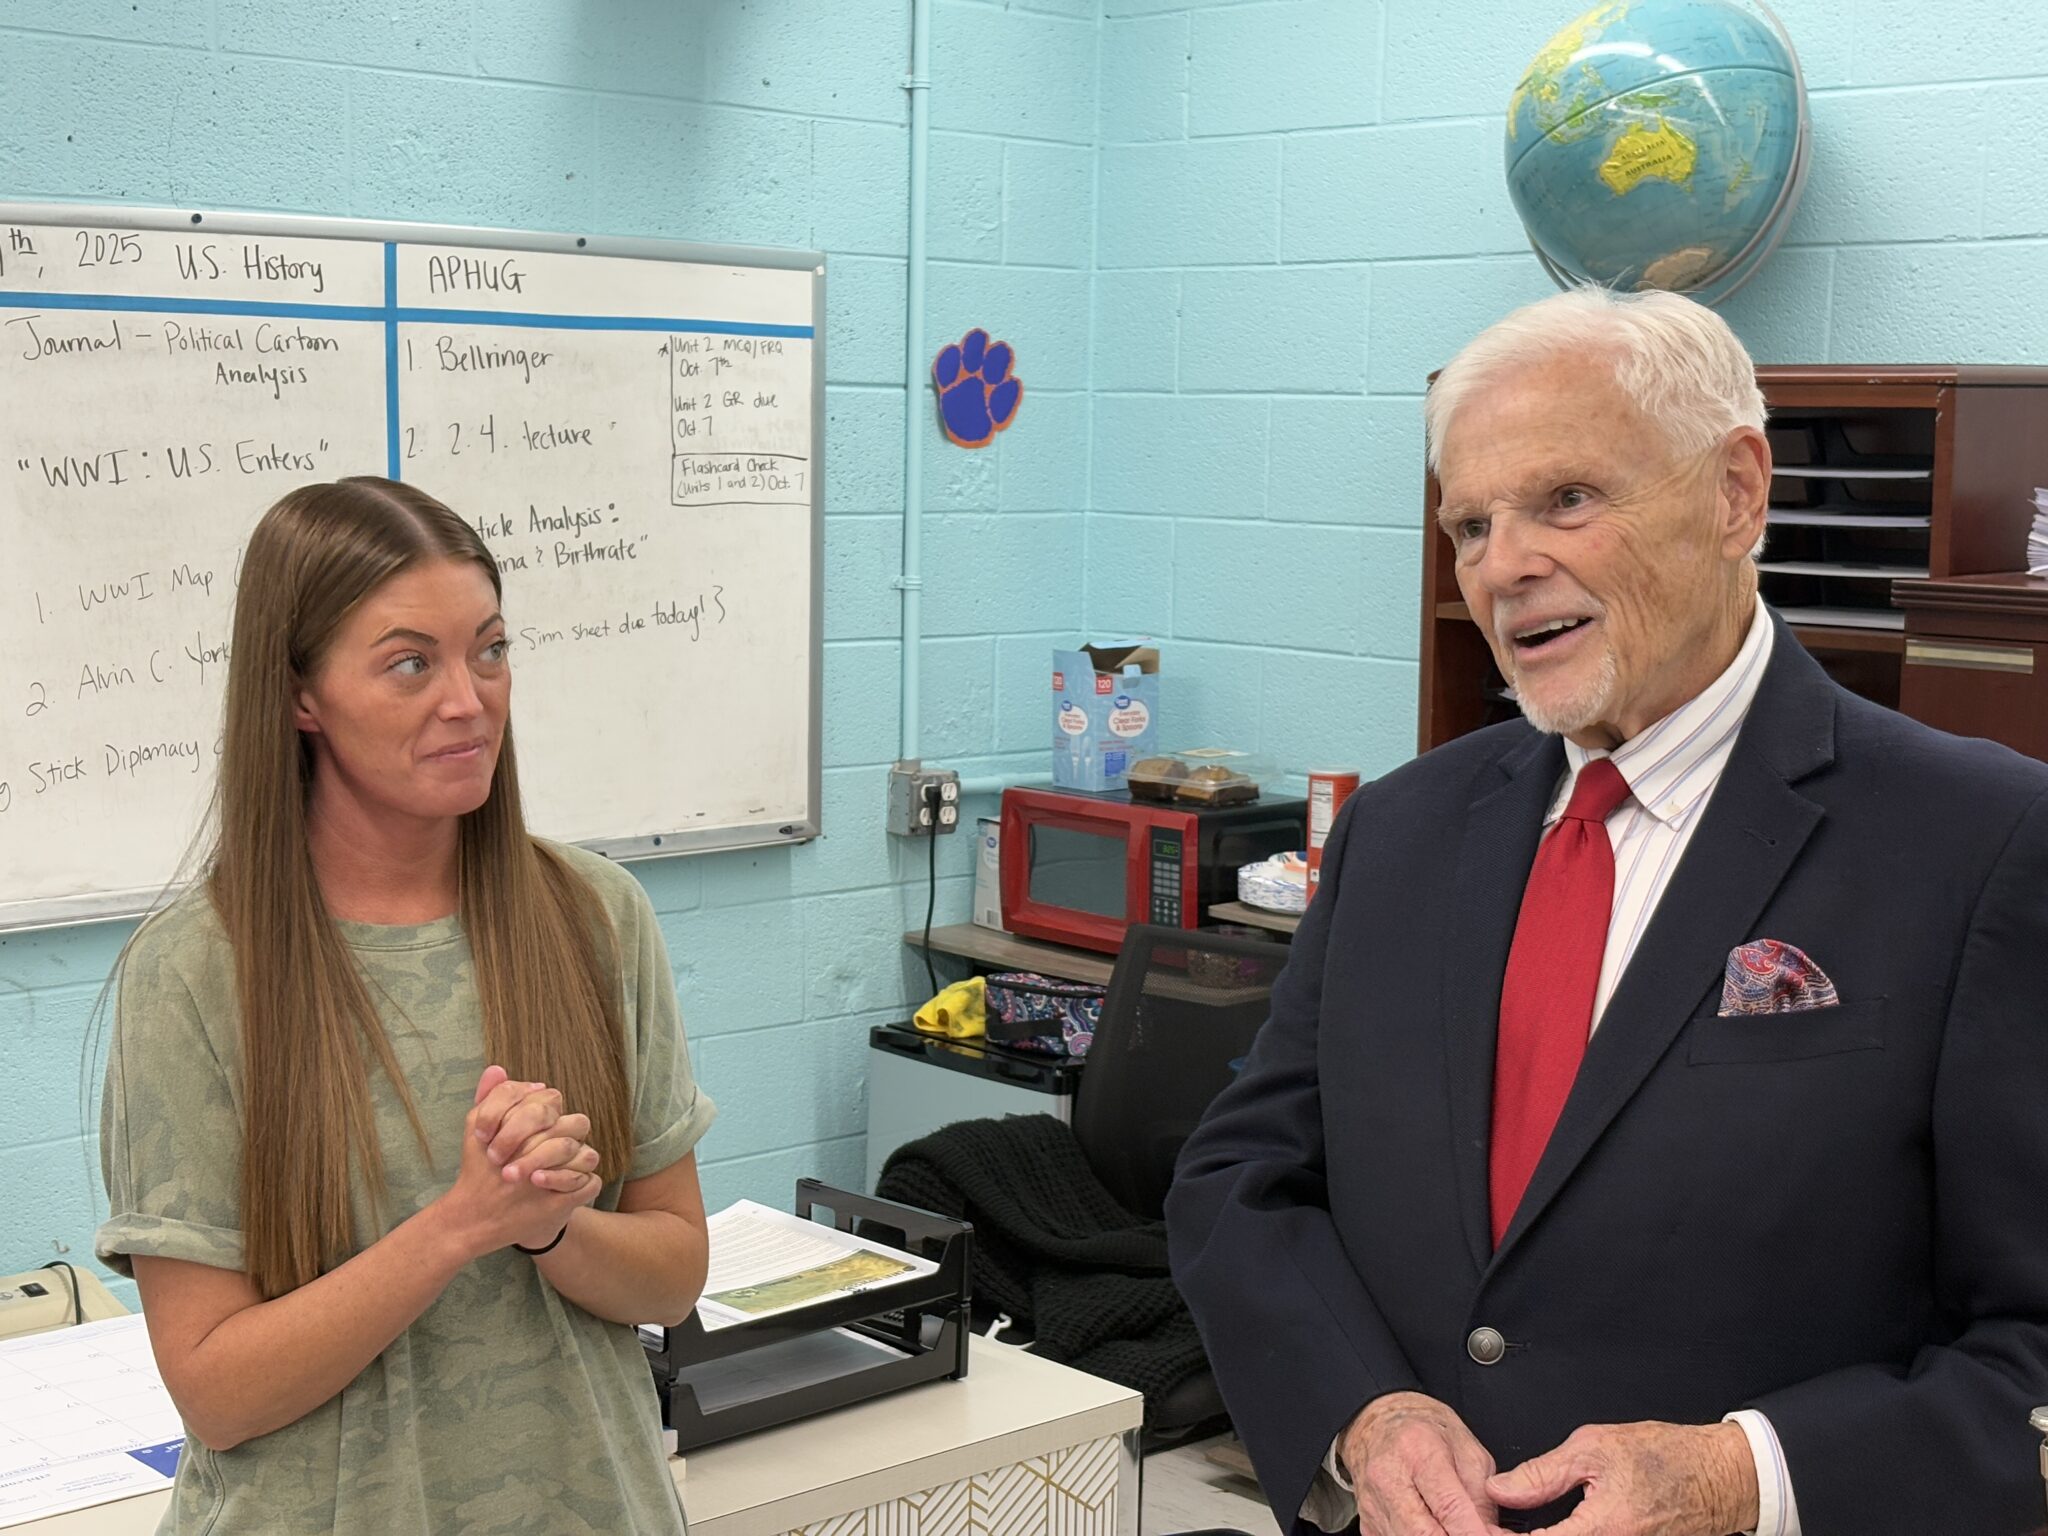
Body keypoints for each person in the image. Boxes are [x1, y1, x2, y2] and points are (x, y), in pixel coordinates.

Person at [1165, 288, 2048, 1535]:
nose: (1503, 564)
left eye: (1564, 500)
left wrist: (1739, 1479)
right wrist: (1365, 1416)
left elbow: (2031, 1349)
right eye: (1469, 524)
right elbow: (1239, 1176)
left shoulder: (1982, 842)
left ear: (1739, 490)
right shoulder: (1402, 830)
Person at [97, 476, 716, 1534]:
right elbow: (217, 1388)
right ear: (300, 696)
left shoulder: (593, 914)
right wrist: (459, 1227)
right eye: (408, 664)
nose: (467, 700)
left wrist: (552, 1225)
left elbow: (673, 1274)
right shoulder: (198, 970)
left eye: (488, 650)